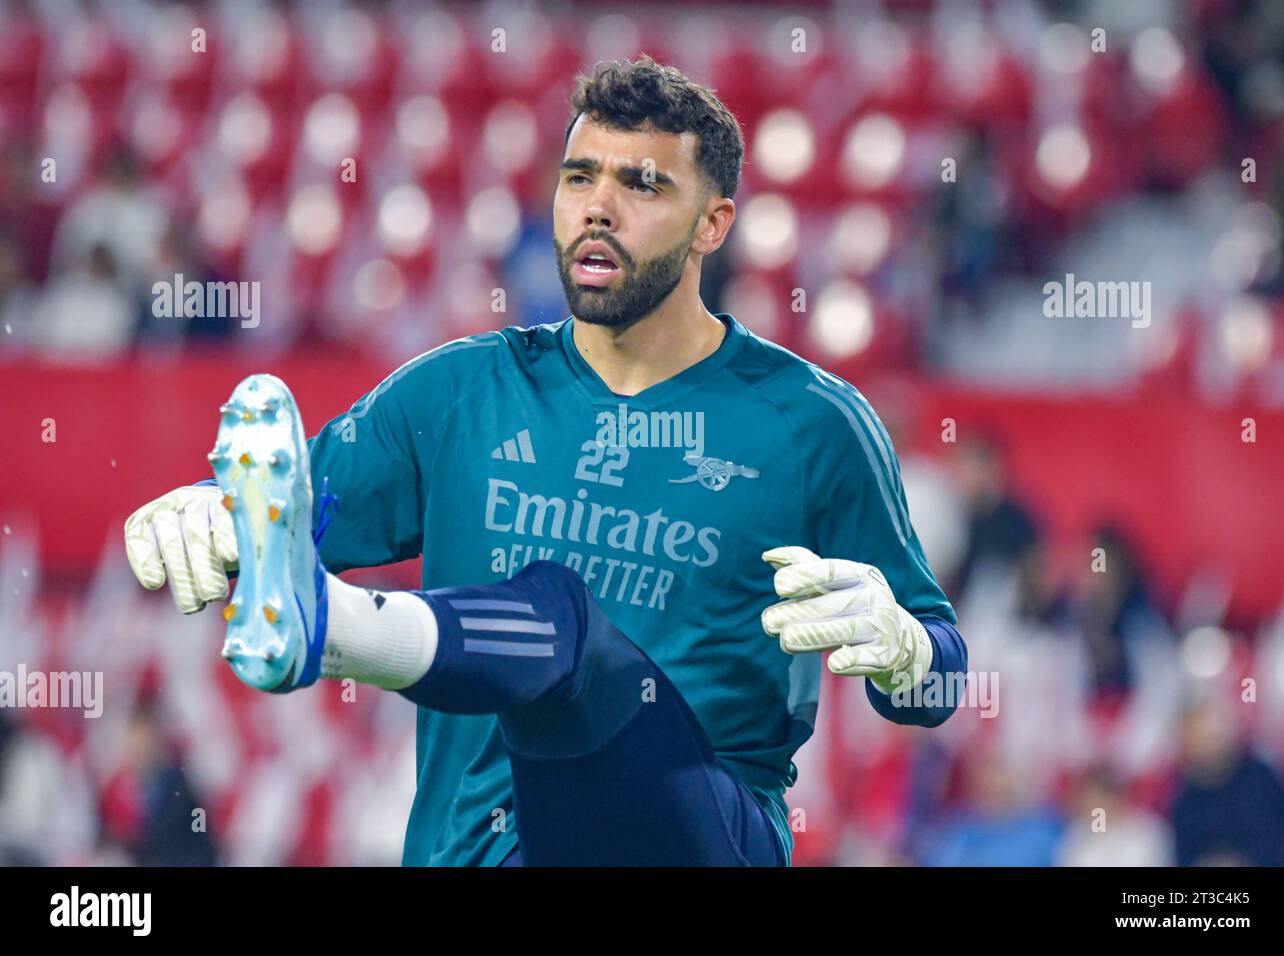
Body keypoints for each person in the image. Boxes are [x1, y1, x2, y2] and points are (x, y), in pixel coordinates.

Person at [123, 56, 968, 866]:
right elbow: (287, 514)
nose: (598, 207)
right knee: (554, 629)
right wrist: (208, 517)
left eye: (641, 183)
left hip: (693, 837)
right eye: (578, 177)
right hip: (478, 852)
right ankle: (326, 623)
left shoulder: (813, 425)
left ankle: (336, 631)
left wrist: (908, 650)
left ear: (714, 224)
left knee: (562, 619)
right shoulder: (460, 393)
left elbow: (934, 690)